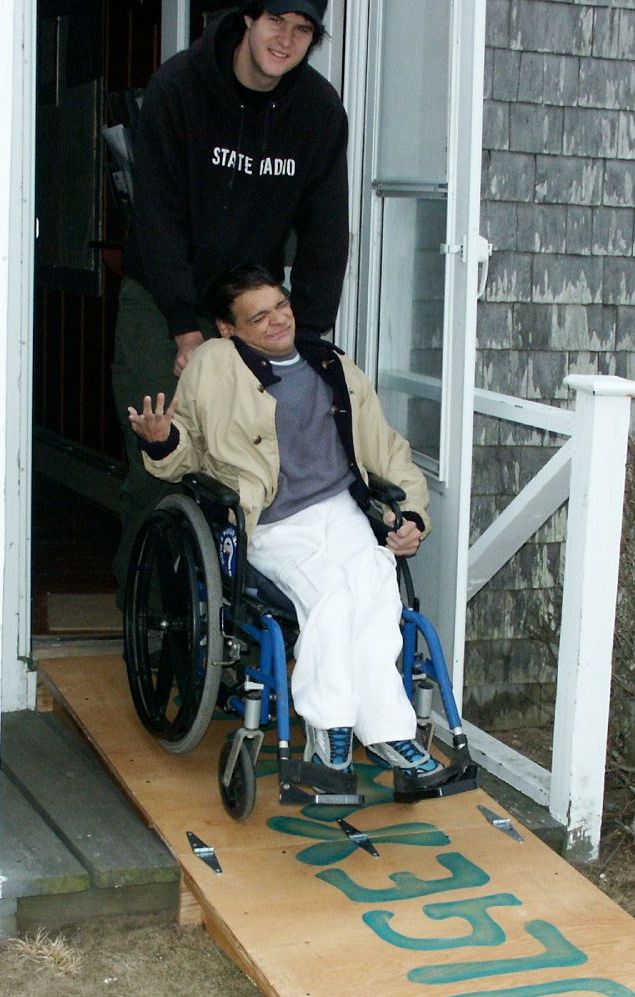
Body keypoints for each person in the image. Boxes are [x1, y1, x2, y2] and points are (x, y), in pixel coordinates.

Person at [127, 265, 441, 782]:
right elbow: (188, 451)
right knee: (332, 597)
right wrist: (161, 439)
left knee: (377, 591)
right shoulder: (213, 366)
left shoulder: (333, 363)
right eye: (259, 316)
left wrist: (411, 515)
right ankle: (328, 729)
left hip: (340, 511)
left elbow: (389, 452)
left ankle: (388, 733)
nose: (278, 321)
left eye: (281, 306)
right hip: (269, 521)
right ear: (229, 329)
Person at [111, 0, 349, 588]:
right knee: (159, 456)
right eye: (276, 21)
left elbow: (326, 233)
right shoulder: (180, 88)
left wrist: (307, 342)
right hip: (162, 299)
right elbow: (157, 217)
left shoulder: (317, 112)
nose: (286, 40)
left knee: (253, 458)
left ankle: (232, 625)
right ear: (248, 18)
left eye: (303, 31)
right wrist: (185, 327)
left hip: (248, 309)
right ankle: (150, 614)